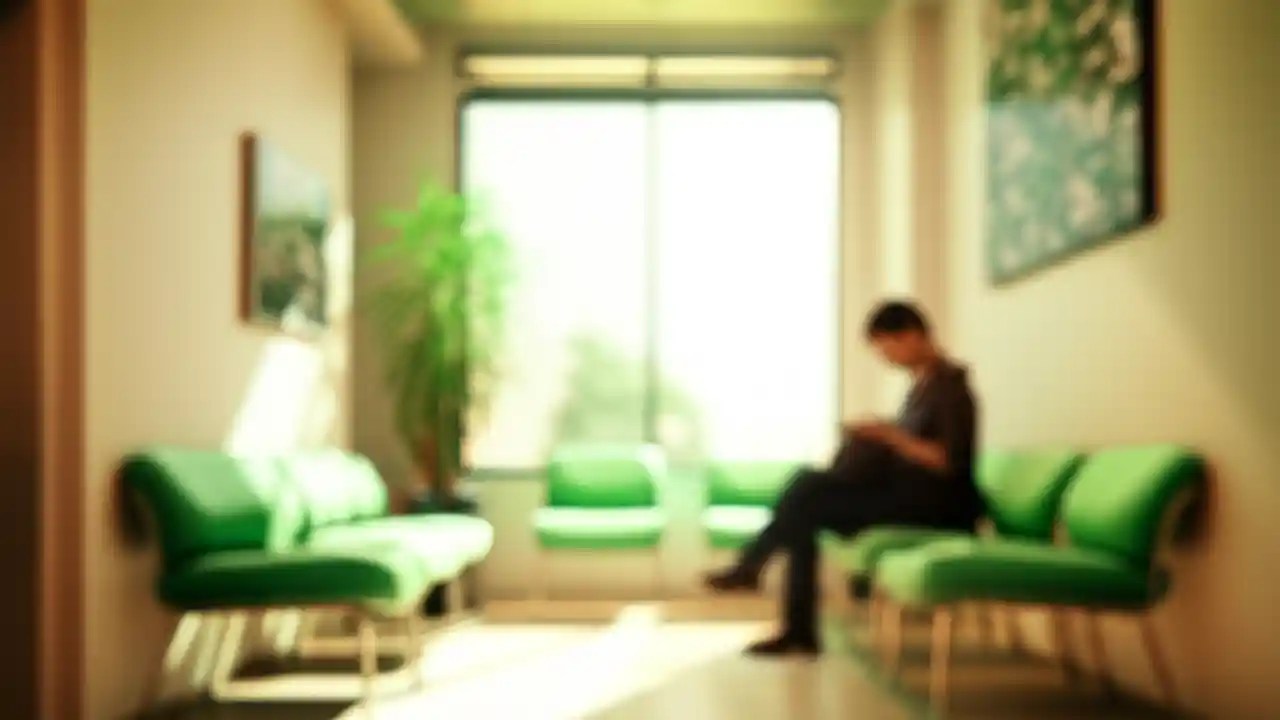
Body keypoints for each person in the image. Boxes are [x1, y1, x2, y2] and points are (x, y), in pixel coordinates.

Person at [703, 300, 983, 656]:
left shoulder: (953, 387)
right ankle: (789, 619)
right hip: (908, 496)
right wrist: (877, 437)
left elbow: (950, 461)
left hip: (936, 508)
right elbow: (910, 447)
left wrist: (890, 435)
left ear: (912, 335)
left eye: (887, 348)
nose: (887, 359)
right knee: (805, 503)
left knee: (806, 491)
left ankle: (756, 573)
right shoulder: (922, 387)